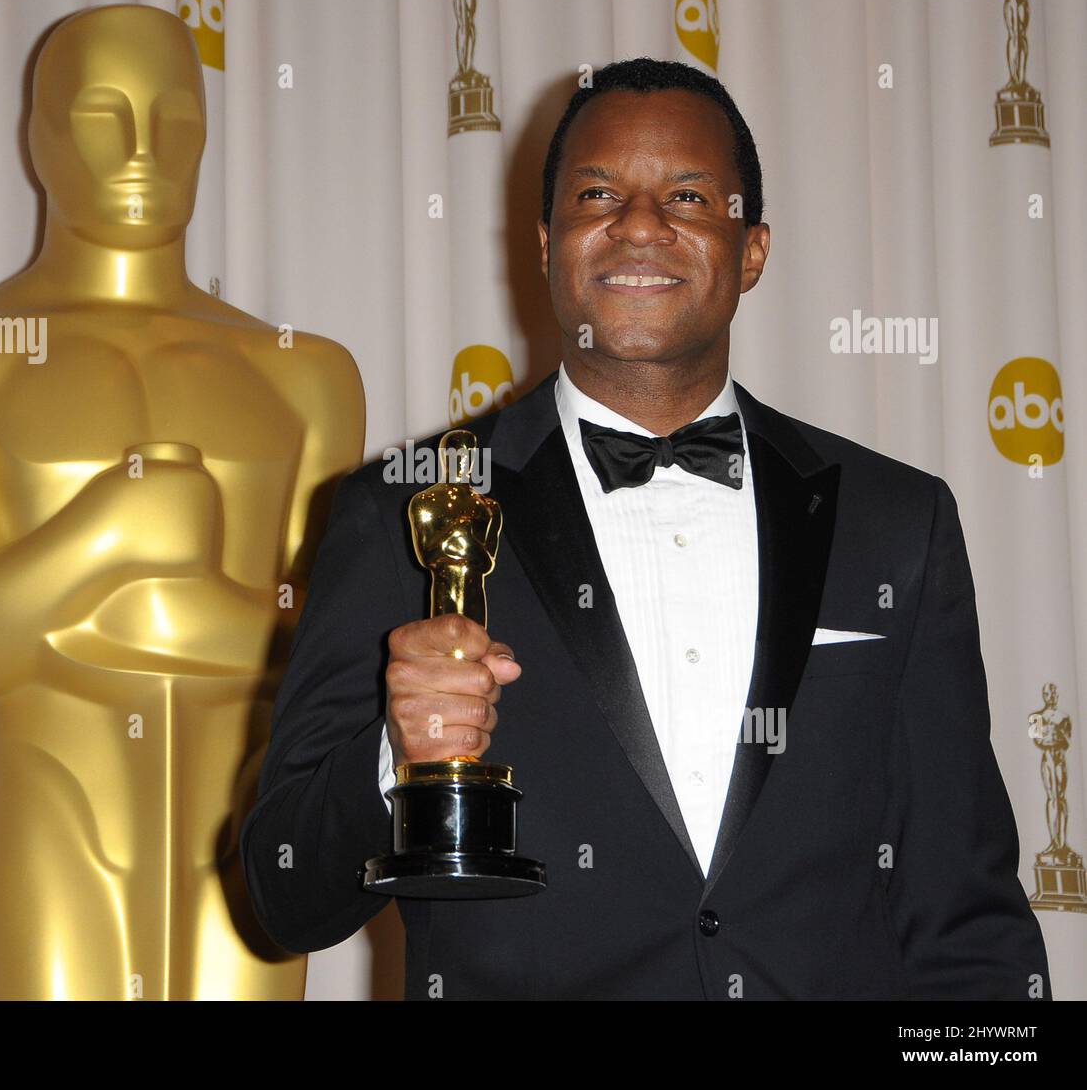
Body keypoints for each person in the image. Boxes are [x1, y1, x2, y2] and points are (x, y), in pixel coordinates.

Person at [239, 58, 1052, 1000]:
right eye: (597, 194)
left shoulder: (897, 522)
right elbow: (279, 894)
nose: (638, 224)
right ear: (546, 243)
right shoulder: (404, 510)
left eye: (689, 196)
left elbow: (967, 914)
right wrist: (395, 755)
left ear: (751, 249)